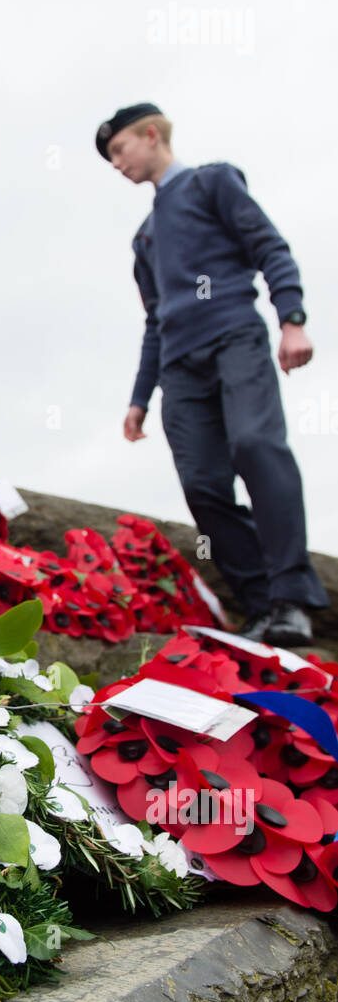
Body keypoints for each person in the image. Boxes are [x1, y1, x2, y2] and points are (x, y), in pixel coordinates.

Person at [96, 102, 328, 646]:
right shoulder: (144, 239)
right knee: (202, 484)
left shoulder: (212, 183)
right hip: (179, 370)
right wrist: (139, 397)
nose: (115, 163)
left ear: (150, 135)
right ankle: (260, 604)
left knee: (255, 445)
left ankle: (293, 597)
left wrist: (291, 319)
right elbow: (155, 321)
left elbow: (269, 246)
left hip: (234, 339)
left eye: (118, 150)